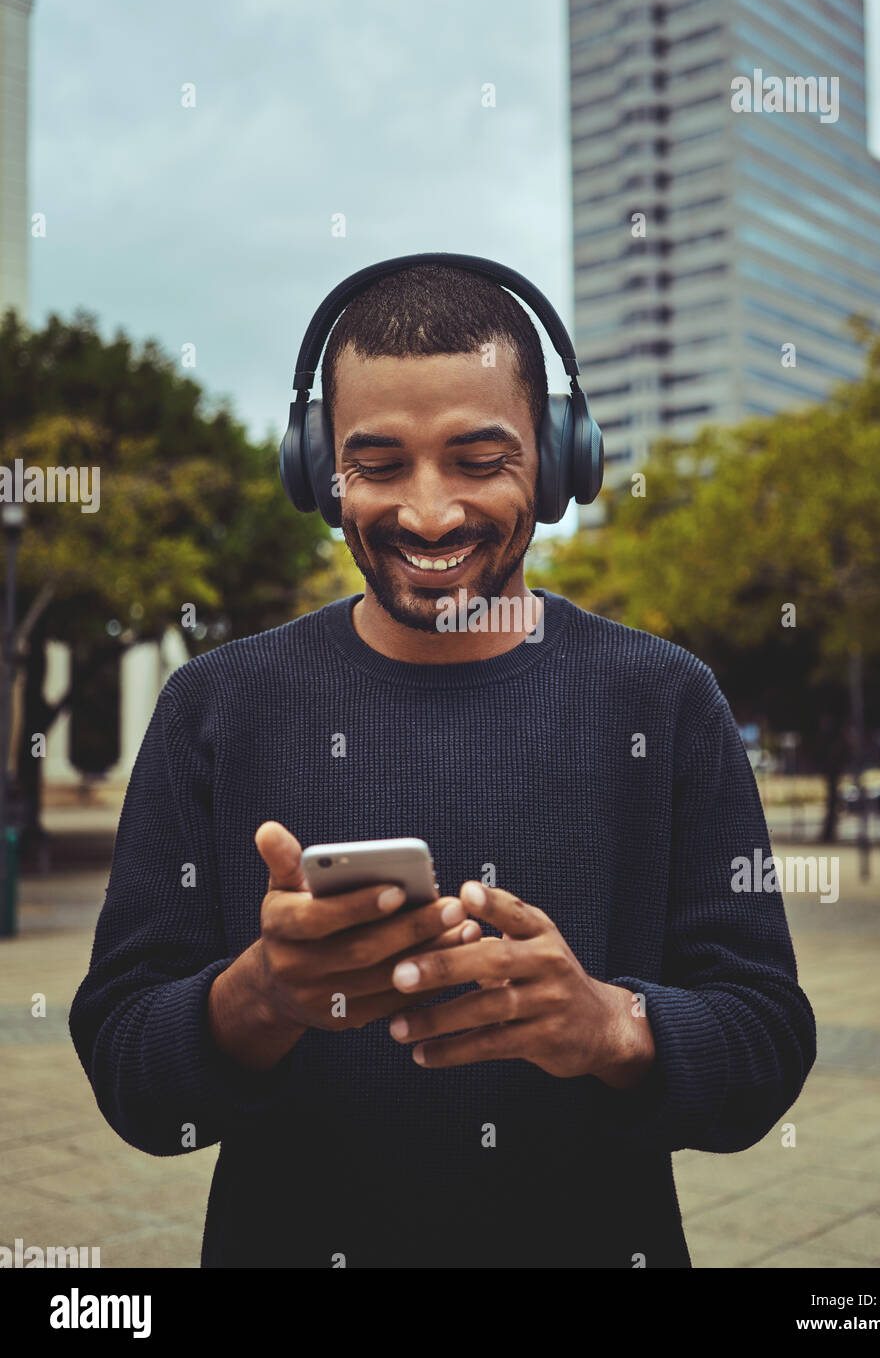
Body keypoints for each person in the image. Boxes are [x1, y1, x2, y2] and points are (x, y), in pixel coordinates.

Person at [69, 260, 816, 1268]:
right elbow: (129, 1076)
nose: (429, 514)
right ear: (318, 473)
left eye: (477, 458)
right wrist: (260, 996)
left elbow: (766, 1044)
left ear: (555, 465)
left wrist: (612, 1025)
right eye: (378, 464)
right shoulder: (215, 705)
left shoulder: (665, 698)